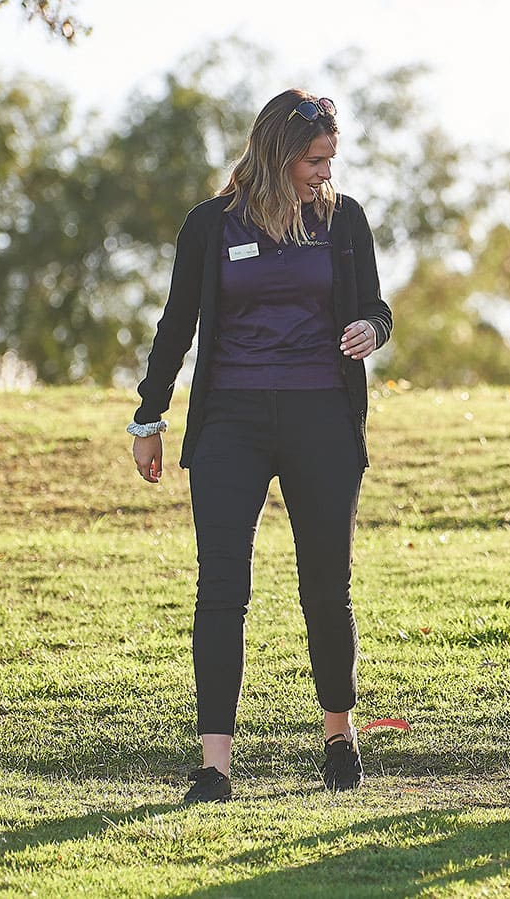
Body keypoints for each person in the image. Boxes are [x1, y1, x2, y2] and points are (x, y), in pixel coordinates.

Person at [130, 89, 392, 803]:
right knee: (221, 589)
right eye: (314, 160)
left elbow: (375, 305)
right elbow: (176, 324)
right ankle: (215, 763)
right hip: (230, 423)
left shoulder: (343, 220)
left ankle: (339, 734)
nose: (324, 173)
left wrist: (373, 329)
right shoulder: (210, 225)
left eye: (331, 160)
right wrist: (147, 417)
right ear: (277, 154)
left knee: (325, 588)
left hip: (321, 418)